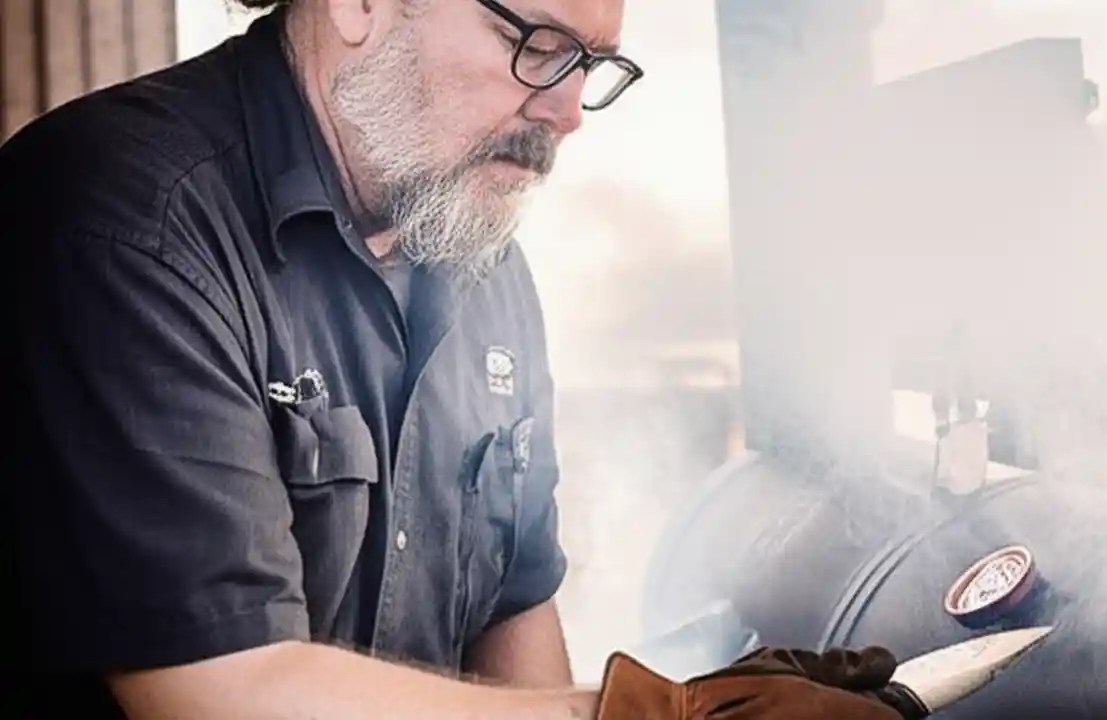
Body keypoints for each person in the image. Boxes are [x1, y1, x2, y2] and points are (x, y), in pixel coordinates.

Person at [1, 1, 918, 718]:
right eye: (539, 43)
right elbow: (223, 695)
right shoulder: (122, 219)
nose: (566, 113)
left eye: (593, 65)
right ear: (363, 3)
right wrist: (653, 716)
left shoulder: (489, 271)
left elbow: (511, 616)